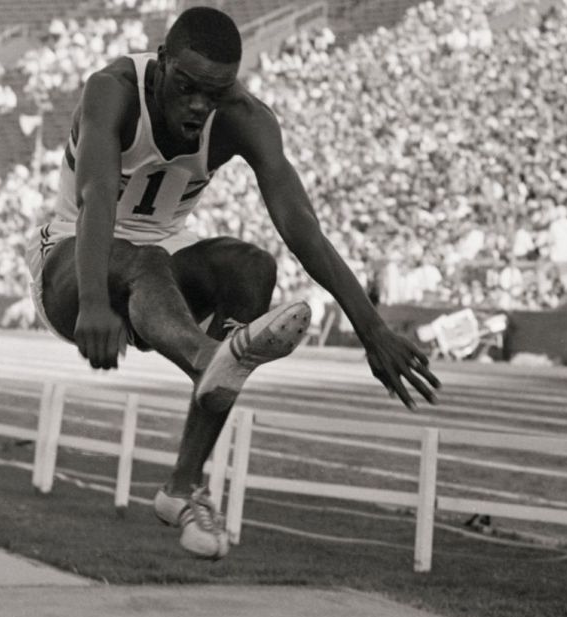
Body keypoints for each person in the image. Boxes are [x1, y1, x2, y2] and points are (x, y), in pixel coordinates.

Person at [27, 7, 440, 560]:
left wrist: (372, 328)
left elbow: (302, 228)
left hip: (160, 267)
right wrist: (97, 302)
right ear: (162, 63)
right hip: (73, 258)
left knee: (252, 267)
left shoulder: (244, 116)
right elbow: (97, 198)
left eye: (213, 93)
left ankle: (183, 485)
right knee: (145, 264)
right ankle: (213, 360)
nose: (199, 106)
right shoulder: (113, 89)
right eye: (186, 87)